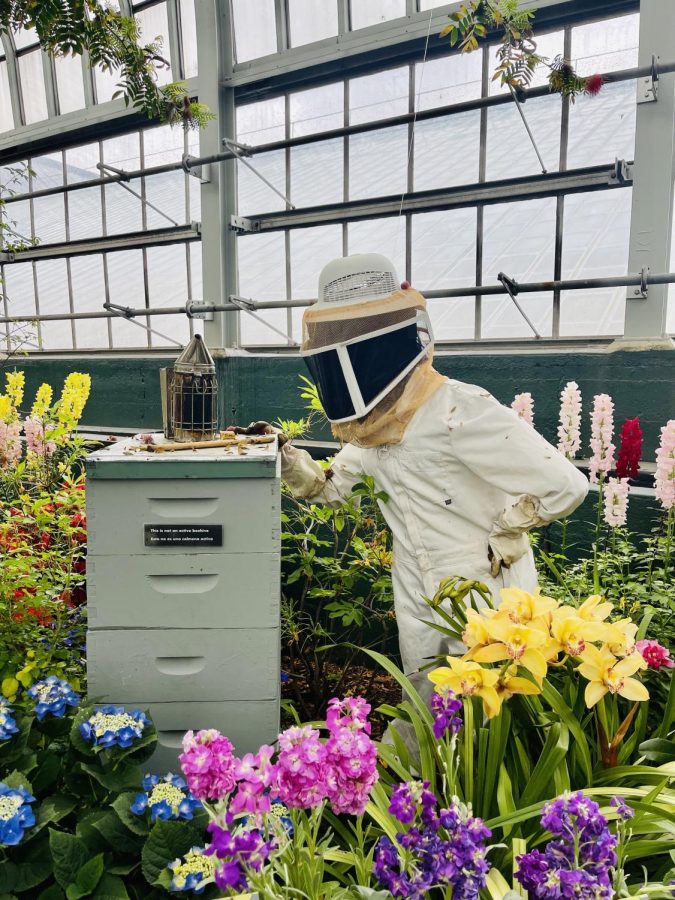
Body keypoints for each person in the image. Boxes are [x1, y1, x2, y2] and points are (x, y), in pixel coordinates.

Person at [267, 254, 589, 697]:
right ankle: (424, 770)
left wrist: (508, 529)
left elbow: (566, 485)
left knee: (490, 705)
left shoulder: (460, 409)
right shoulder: (373, 428)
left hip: (484, 579)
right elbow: (329, 488)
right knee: (424, 693)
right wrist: (283, 453)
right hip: (415, 581)